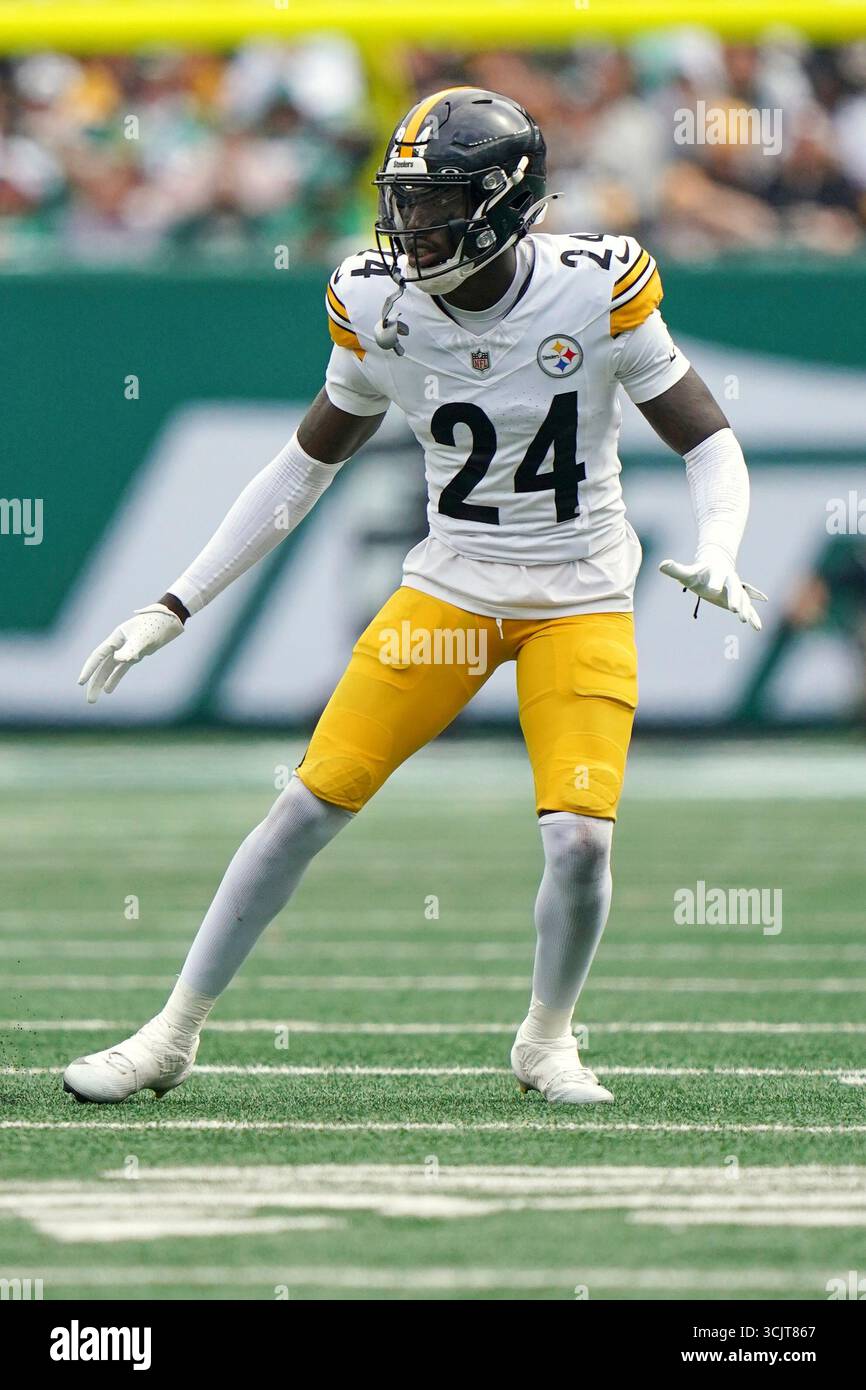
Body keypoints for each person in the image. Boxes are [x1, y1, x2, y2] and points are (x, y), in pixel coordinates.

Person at [63, 87, 765, 1107]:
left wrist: (718, 543)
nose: (408, 227)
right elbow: (301, 467)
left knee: (577, 841)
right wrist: (175, 603)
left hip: (578, 592)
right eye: (404, 202)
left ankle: (545, 1038)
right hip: (451, 589)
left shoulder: (593, 286)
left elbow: (705, 435)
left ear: (500, 203)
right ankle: (170, 1034)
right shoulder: (376, 302)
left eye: (433, 204)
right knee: (304, 806)